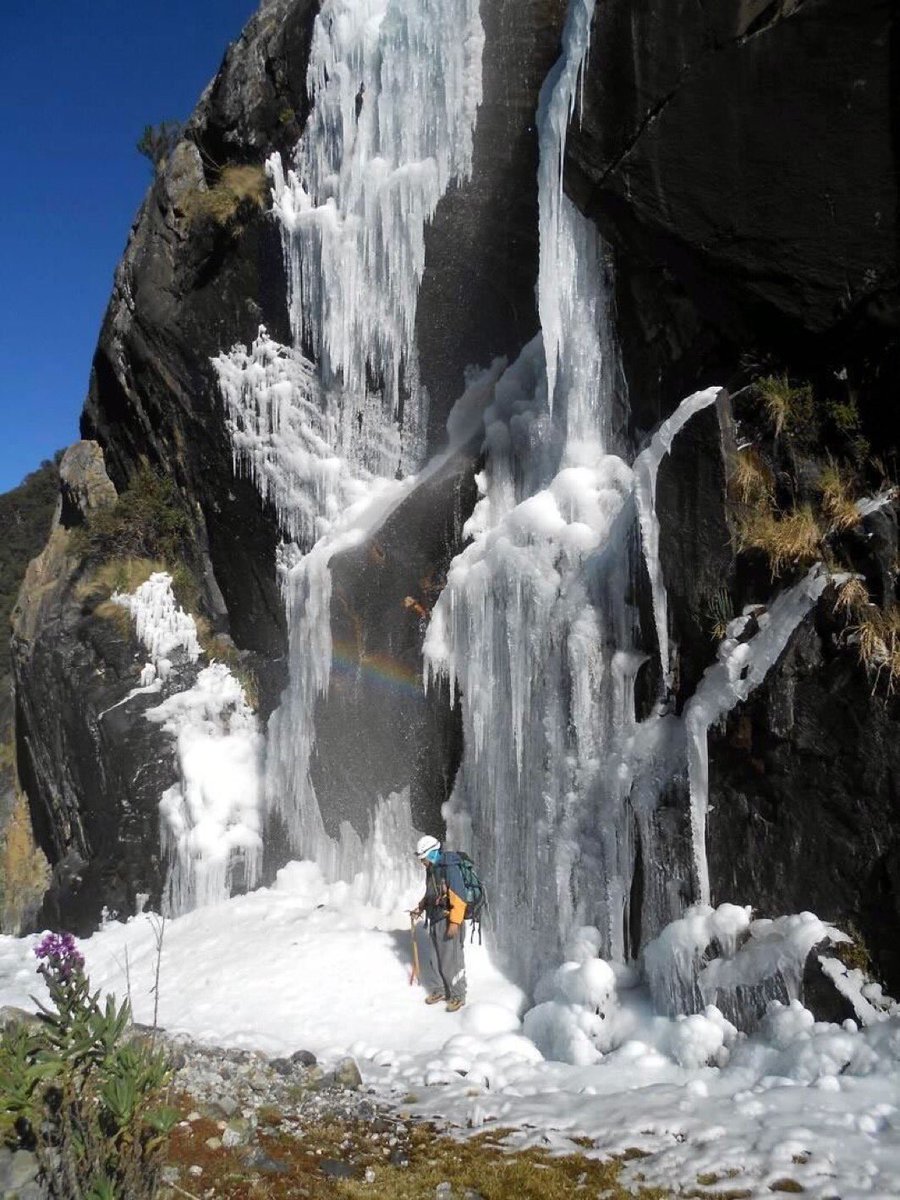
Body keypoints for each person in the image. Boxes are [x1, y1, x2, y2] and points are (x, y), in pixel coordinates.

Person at [409, 834, 467, 1012]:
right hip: (435, 919)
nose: (422, 862)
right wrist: (421, 907)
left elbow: (459, 897)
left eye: (424, 858)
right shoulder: (432, 870)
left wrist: (455, 923)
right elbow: (431, 894)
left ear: (432, 853)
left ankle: (458, 995)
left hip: (448, 919)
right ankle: (440, 990)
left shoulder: (449, 868)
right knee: (435, 958)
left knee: (452, 960)